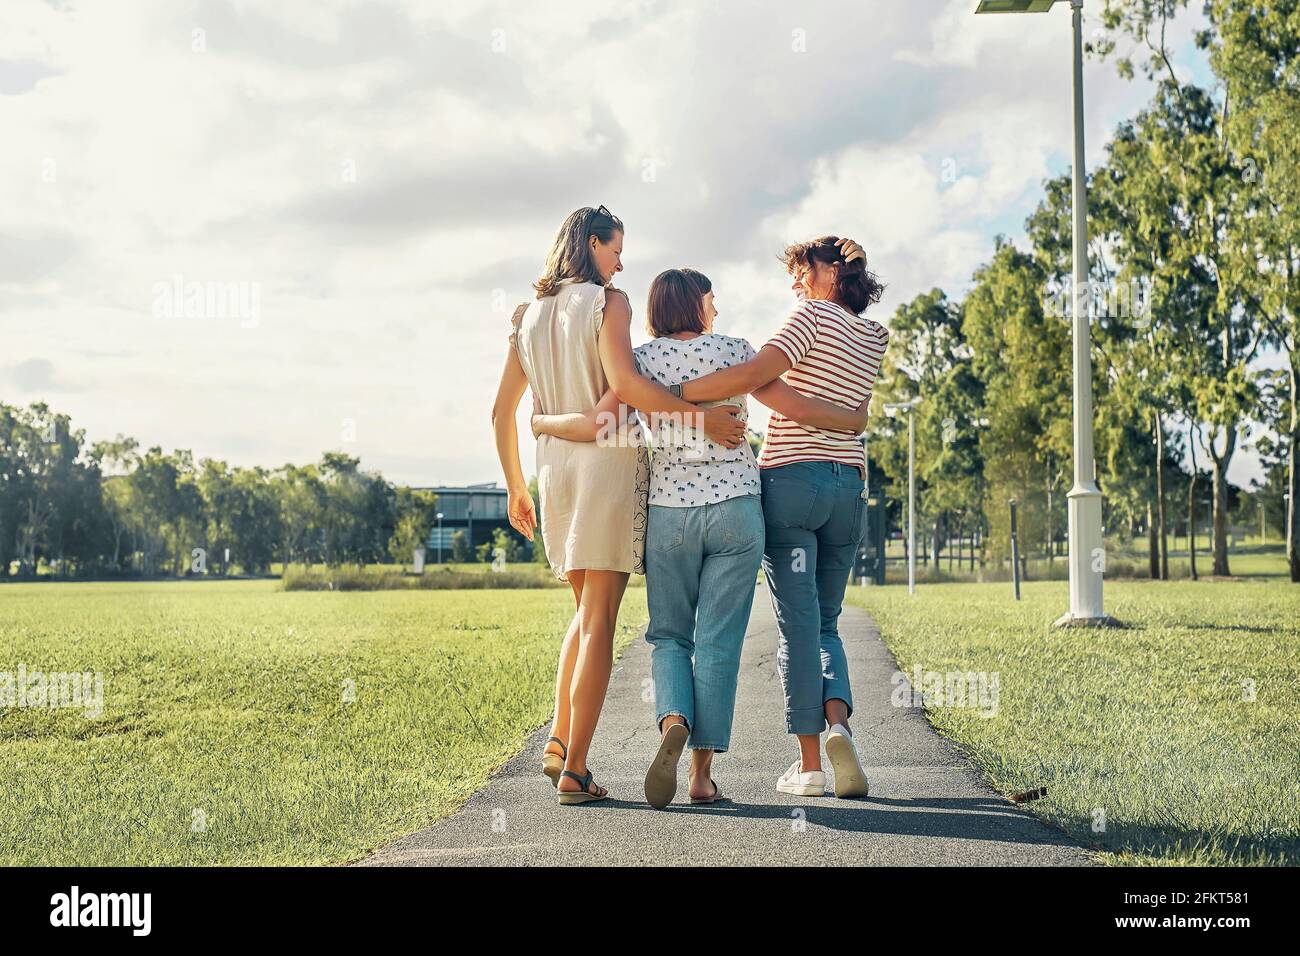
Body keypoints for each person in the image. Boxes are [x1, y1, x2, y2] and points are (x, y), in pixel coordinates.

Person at [532, 262, 870, 808]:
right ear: (698, 305)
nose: (717, 309)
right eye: (712, 300)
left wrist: (544, 422)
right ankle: (700, 777)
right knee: (718, 643)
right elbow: (787, 403)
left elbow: (599, 424)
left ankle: (673, 718)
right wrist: (848, 420)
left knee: (669, 636)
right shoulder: (736, 350)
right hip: (736, 512)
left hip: (670, 515)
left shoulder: (638, 364)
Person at [491, 205, 746, 805]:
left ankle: (559, 743)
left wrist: (515, 485)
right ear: (590, 244)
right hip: (606, 466)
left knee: (584, 613)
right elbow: (625, 391)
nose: (621, 263)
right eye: (614, 249)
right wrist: (700, 421)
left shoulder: (527, 315)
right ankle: (577, 769)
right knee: (601, 617)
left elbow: (503, 412)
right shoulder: (611, 302)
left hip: (554, 474)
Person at [676, 236, 888, 798]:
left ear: (831, 275)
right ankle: (840, 726)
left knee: (798, 626)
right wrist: (843, 420)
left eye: (803, 271)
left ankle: (811, 765)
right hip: (848, 488)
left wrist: (678, 391)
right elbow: (835, 408)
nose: (795, 283)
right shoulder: (873, 334)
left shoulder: (808, 318)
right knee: (827, 623)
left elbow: (754, 376)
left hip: (793, 483)